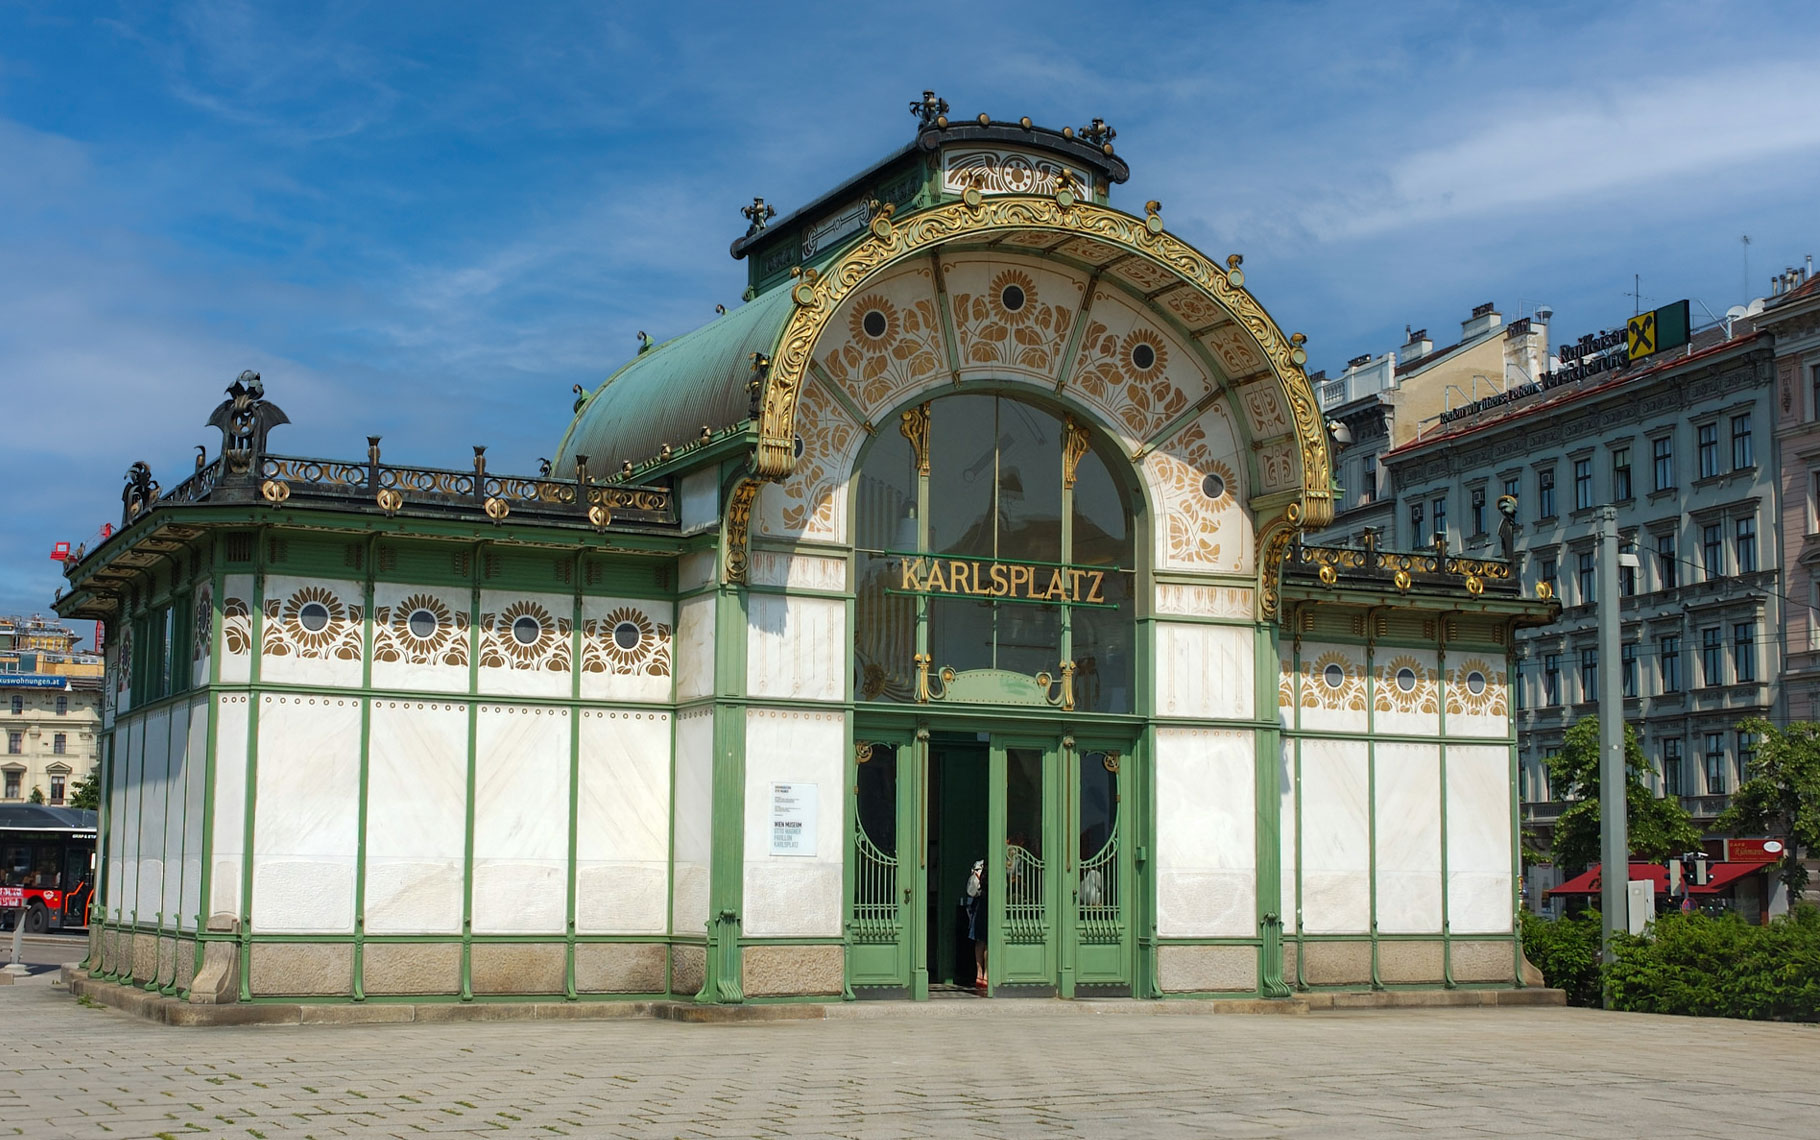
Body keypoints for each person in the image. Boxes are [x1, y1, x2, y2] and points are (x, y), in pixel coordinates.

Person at [964, 858, 986, 989]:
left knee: (982, 941)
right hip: (981, 904)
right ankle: (982, 973)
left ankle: (981, 974)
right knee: (982, 939)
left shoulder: (979, 865)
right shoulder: (980, 865)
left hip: (982, 904)